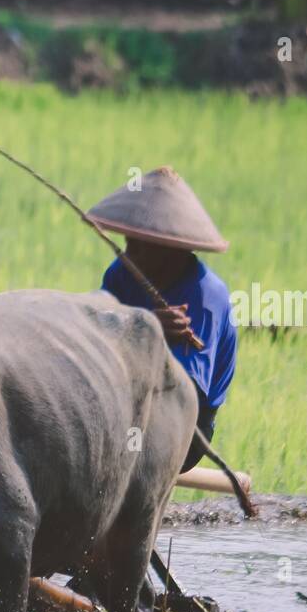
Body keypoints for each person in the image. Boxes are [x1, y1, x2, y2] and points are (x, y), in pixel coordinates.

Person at [86, 166, 237, 472]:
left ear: (171, 249)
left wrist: (144, 337)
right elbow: (97, 335)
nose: (128, 253)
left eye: (139, 246)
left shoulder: (204, 298)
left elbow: (182, 399)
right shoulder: (121, 274)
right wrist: (148, 328)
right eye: (128, 242)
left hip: (184, 428)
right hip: (124, 401)